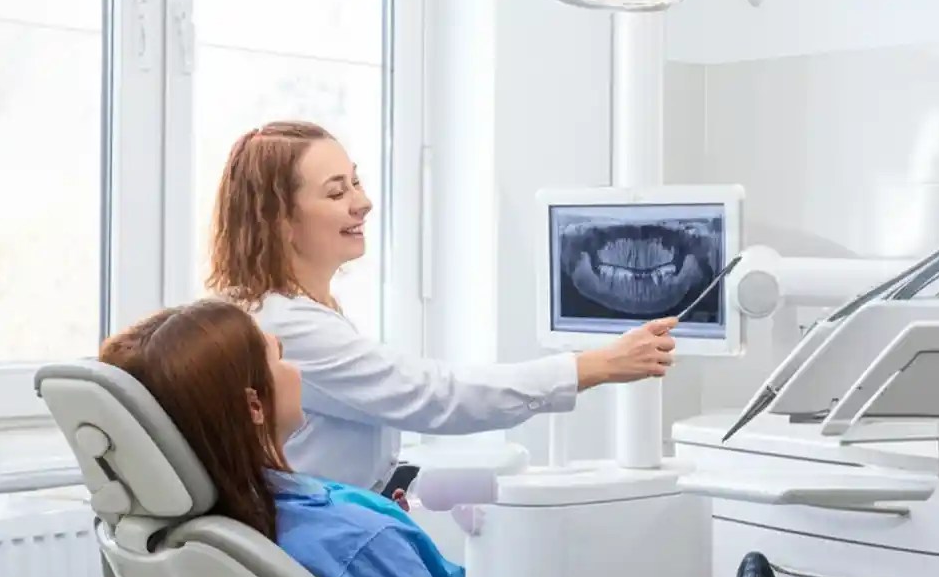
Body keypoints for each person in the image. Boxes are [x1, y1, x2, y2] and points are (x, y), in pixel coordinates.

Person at [98, 299, 895, 577]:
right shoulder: (350, 539)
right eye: (278, 360)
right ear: (250, 403)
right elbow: (435, 394)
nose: (295, 363)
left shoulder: (236, 514)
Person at [206, 120, 680, 491]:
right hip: (328, 549)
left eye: (356, 182)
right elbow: (432, 394)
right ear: (278, 220)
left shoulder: (292, 306)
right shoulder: (285, 327)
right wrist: (593, 366)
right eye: (336, 192)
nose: (364, 202)